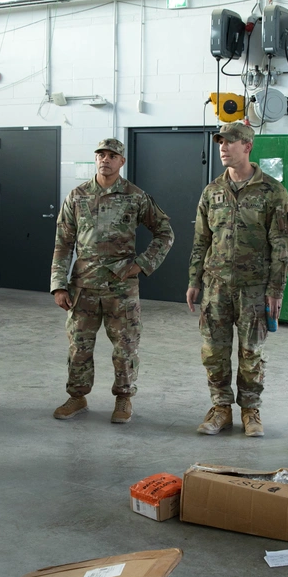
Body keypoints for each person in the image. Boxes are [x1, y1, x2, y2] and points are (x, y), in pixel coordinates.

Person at [50, 138, 174, 424]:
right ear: (95, 159)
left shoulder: (135, 196)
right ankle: (77, 396)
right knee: (79, 347)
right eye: (101, 155)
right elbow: (63, 242)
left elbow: (165, 232)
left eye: (112, 155)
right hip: (83, 287)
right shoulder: (77, 196)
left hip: (121, 287)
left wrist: (142, 264)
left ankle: (124, 398)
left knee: (125, 347)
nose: (105, 159)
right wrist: (59, 284)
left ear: (122, 161)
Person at [187, 122, 288, 437]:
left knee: (252, 352)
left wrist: (276, 290)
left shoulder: (273, 192)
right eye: (220, 142)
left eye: (230, 142)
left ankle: (251, 411)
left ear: (247, 146)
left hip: (255, 288)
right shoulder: (212, 191)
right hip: (216, 286)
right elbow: (200, 241)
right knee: (213, 351)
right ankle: (221, 408)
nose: (223, 147)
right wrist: (194, 281)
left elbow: (282, 246)